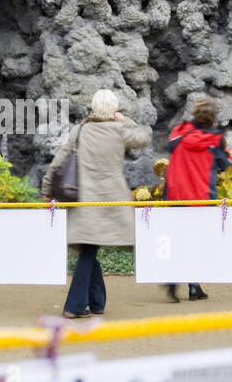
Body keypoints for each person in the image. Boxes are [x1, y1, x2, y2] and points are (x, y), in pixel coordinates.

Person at [42, 89, 151, 319]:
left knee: (88, 249)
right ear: (114, 110)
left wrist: (47, 189)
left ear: (92, 108)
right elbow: (144, 136)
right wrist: (125, 119)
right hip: (111, 202)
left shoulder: (80, 130)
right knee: (88, 250)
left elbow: (59, 159)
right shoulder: (120, 131)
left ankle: (91, 302)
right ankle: (78, 305)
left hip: (84, 200)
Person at [163, 95, 232, 303]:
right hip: (202, 197)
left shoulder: (179, 134)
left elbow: (169, 148)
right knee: (198, 242)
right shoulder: (216, 139)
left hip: (177, 195)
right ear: (213, 118)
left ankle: (175, 282)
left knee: (179, 240)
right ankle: (194, 287)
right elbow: (226, 163)